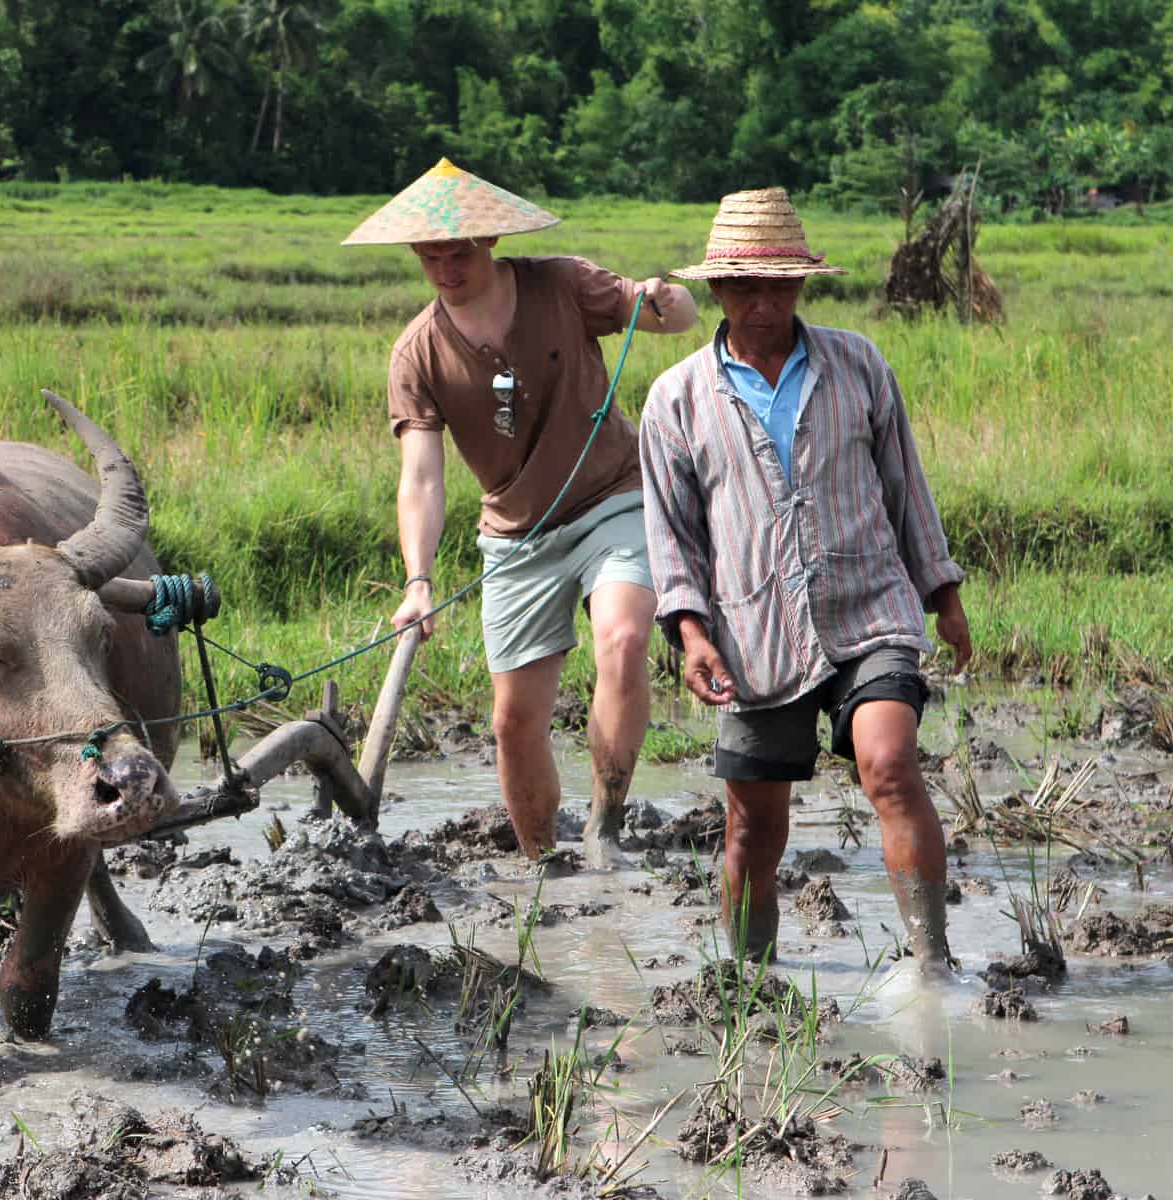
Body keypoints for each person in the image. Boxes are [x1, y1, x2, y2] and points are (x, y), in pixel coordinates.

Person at [637, 187, 973, 967]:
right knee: (753, 827)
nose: (765, 304)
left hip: (869, 608)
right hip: (753, 632)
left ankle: (931, 967)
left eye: (782, 285)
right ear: (718, 289)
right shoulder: (677, 400)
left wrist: (943, 595)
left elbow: (905, 486)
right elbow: (673, 536)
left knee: (889, 764)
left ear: (803, 285)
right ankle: (751, 981)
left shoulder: (857, 364)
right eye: (748, 287)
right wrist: (691, 634)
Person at [342, 158, 699, 868]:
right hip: (515, 536)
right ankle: (544, 867)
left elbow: (675, 317)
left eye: (459, 251)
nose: (445, 266)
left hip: (612, 499)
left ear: (491, 242)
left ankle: (604, 825)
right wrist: (419, 579)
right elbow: (421, 477)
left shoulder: (561, 283)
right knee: (513, 722)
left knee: (624, 642)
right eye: (430, 253)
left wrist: (668, 298)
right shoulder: (416, 354)